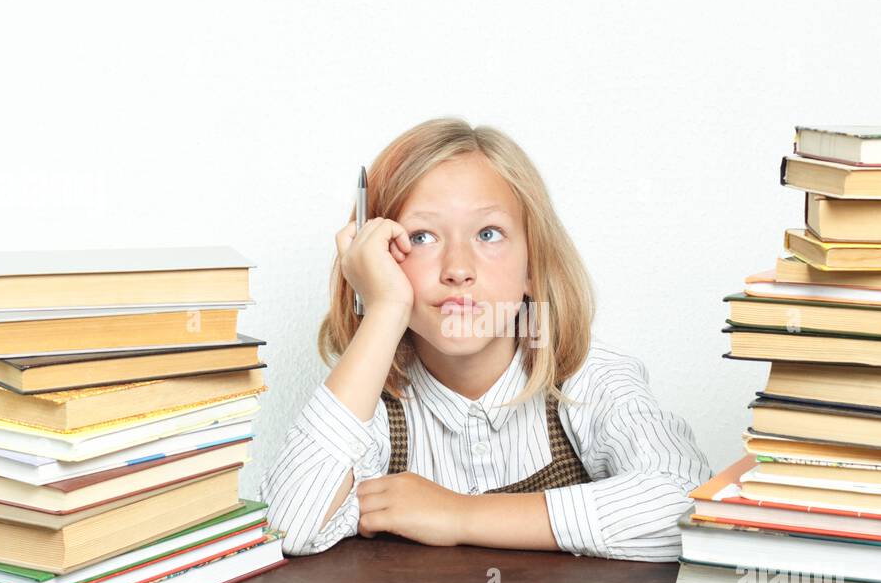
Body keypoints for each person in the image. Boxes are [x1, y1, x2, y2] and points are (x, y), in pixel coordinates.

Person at [261, 116, 709, 560]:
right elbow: (287, 526)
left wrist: (460, 515)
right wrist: (383, 308)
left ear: (533, 267)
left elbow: (686, 505)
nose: (458, 268)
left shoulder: (590, 378)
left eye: (488, 234)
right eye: (422, 236)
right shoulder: (371, 404)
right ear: (376, 259)